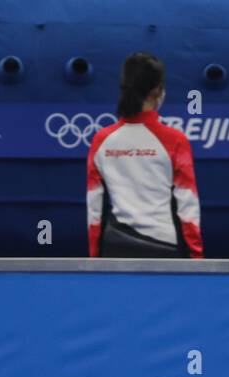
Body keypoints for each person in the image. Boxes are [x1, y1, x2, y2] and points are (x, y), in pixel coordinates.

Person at [87, 51, 203, 259]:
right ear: (158, 90)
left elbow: (94, 210)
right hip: (164, 245)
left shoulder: (101, 140)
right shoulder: (175, 140)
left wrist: (95, 259)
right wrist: (196, 258)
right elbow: (188, 207)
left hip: (115, 246)